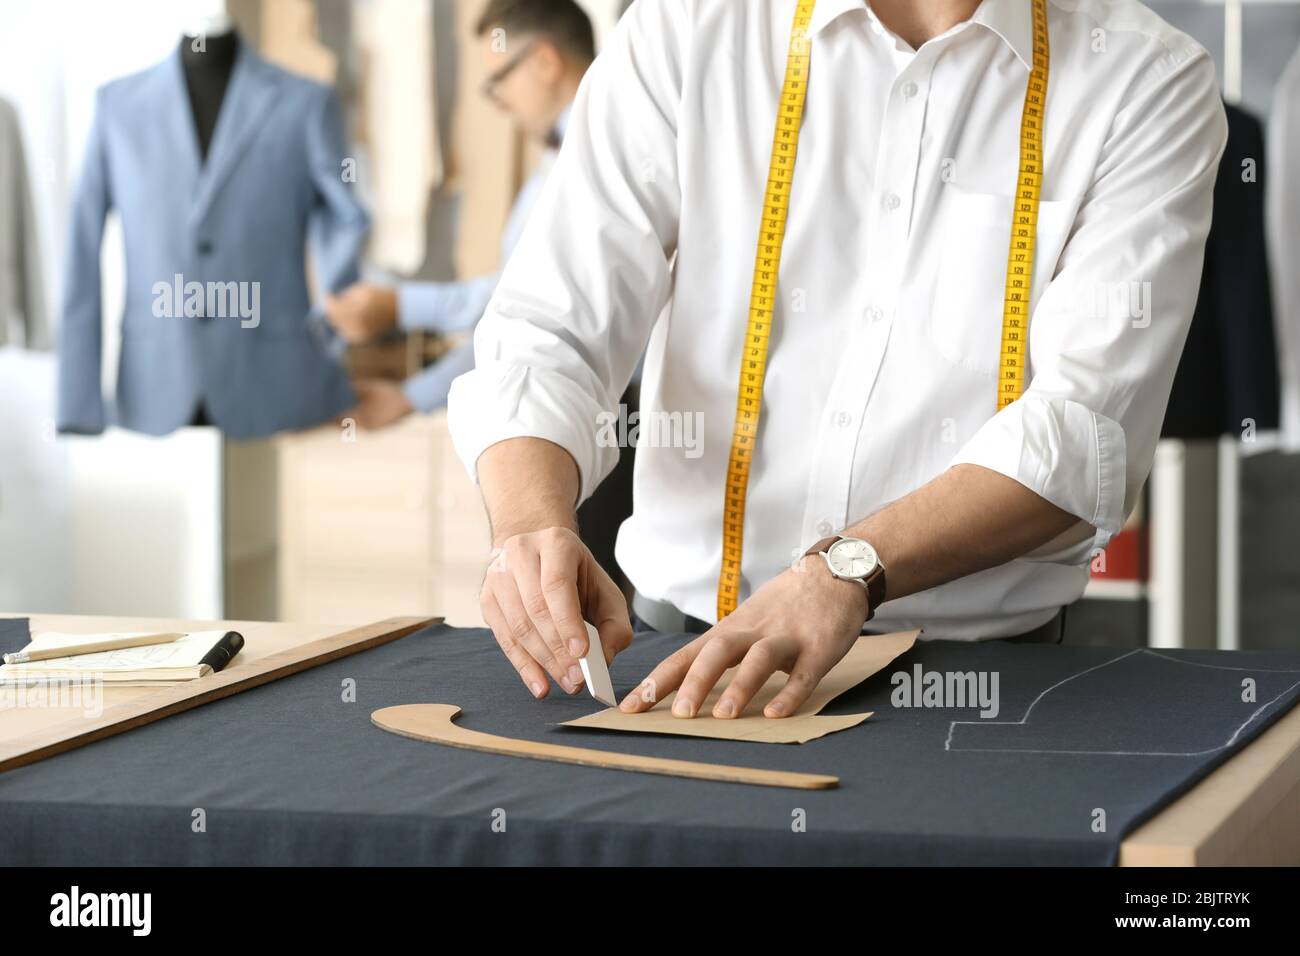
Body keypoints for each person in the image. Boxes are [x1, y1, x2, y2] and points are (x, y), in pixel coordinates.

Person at [447, 0, 1227, 721]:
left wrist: (845, 571)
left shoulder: (1145, 81)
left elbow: (1082, 433)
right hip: (673, 655)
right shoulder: (689, 25)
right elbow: (550, 329)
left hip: (968, 690)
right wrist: (528, 521)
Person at [327, 0, 596, 429]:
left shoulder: (595, 159)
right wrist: (413, 396)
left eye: (500, 80)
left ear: (545, 61)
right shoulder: (557, 159)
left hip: (613, 413)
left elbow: (519, 304)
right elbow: (514, 322)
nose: (499, 101)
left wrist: (398, 306)